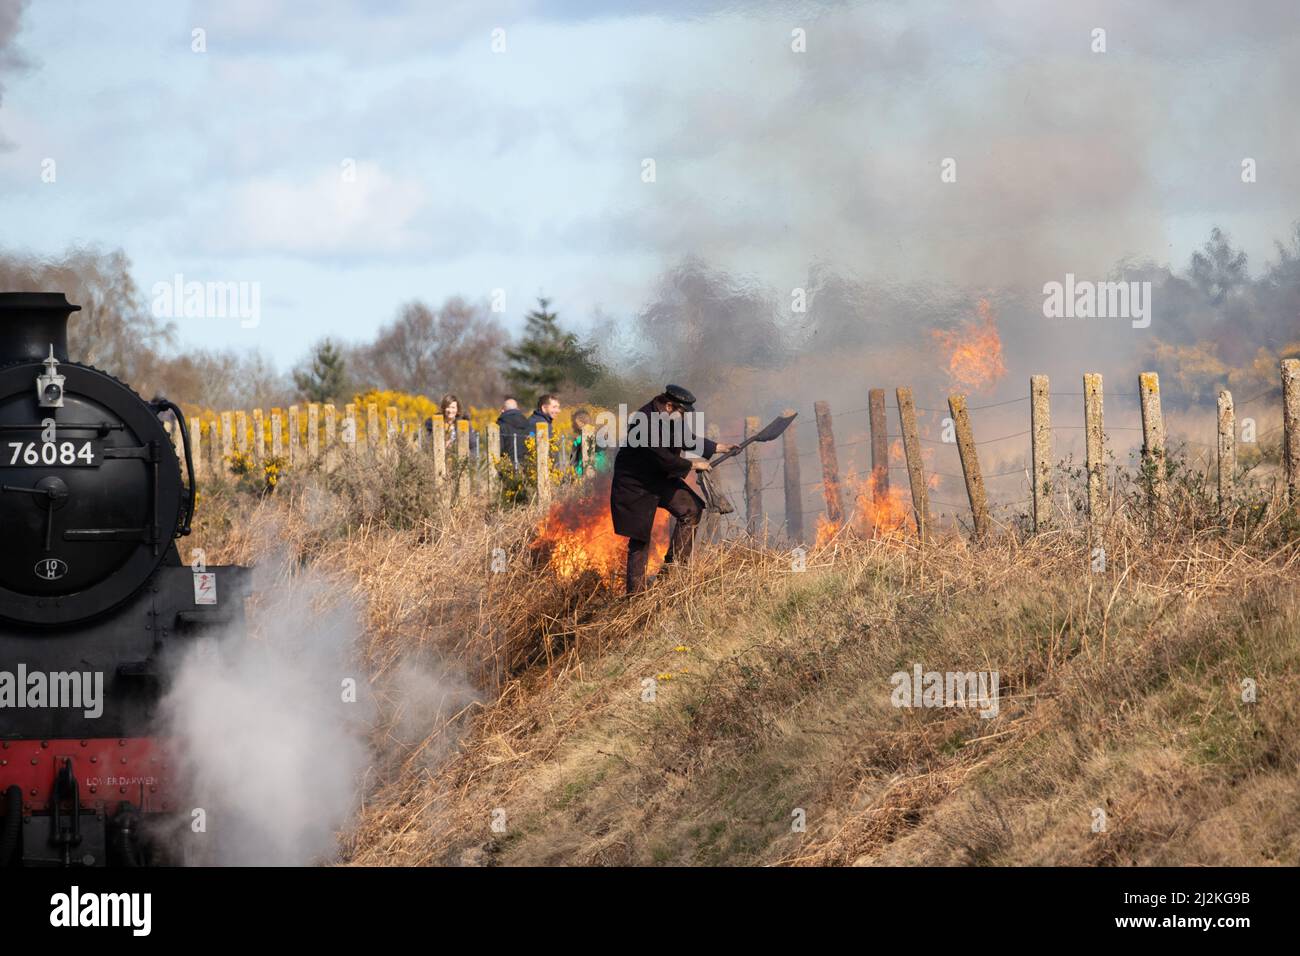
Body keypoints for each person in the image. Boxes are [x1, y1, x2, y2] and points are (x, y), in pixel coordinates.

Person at [610, 385, 734, 595]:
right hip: (635, 484)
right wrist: (695, 464)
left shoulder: (672, 417)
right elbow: (664, 459)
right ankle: (636, 597)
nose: (684, 417)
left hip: (658, 478)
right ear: (669, 405)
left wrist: (719, 447)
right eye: (683, 412)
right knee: (640, 540)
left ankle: (672, 574)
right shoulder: (644, 421)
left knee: (692, 509)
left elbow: (686, 439)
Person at [570, 408, 608, 476]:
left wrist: (575, 474)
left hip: (585, 473)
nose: (572, 426)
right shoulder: (595, 436)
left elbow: (573, 461)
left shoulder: (578, 440)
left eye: (574, 423)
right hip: (600, 474)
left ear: (580, 423)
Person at [496, 396, 531, 465]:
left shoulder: (500, 425)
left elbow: (499, 447)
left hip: (507, 465)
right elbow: (532, 436)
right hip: (525, 463)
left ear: (502, 410)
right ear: (517, 409)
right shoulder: (527, 423)